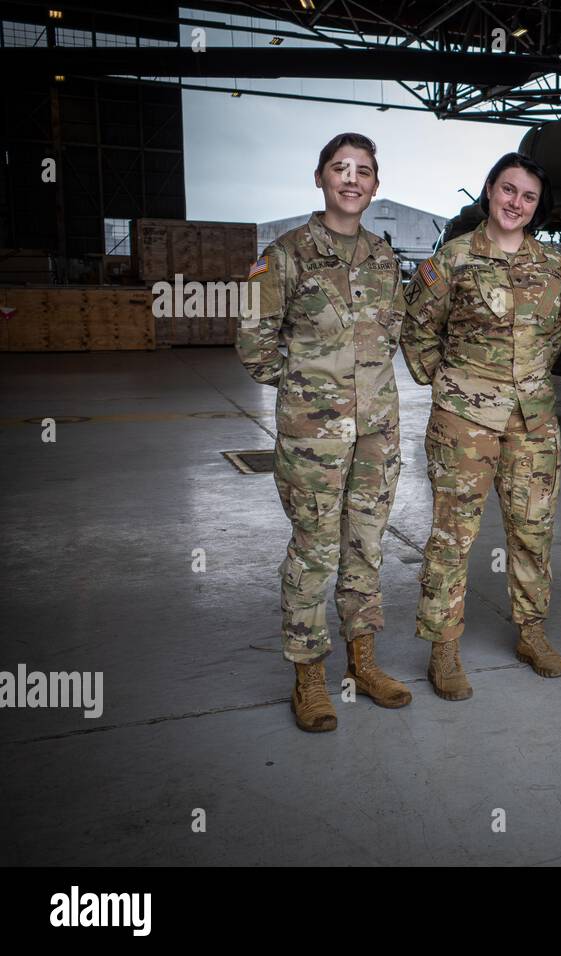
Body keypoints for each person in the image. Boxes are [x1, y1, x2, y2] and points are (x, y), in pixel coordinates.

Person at [237, 132, 411, 733]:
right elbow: (255, 344)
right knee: (315, 552)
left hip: (377, 436)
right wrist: (308, 391)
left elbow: (391, 337)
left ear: (375, 185)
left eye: (364, 170)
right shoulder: (285, 255)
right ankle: (309, 676)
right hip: (315, 440)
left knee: (366, 547)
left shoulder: (385, 260)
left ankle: (363, 662)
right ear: (320, 178)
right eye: (341, 168)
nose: (352, 179)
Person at [401, 153, 561, 700]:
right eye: (508, 190)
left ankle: (531, 632)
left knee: (533, 531)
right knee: (453, 536)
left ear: (535, 207)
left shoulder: (552, 266)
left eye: (527, 196)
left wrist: (528, 384)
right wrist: (452, 388)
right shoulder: (451, 260)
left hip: (533, 423)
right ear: (489, 190)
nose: (515, 202)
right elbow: (417, 332)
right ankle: (444, 645)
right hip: (465, 423)